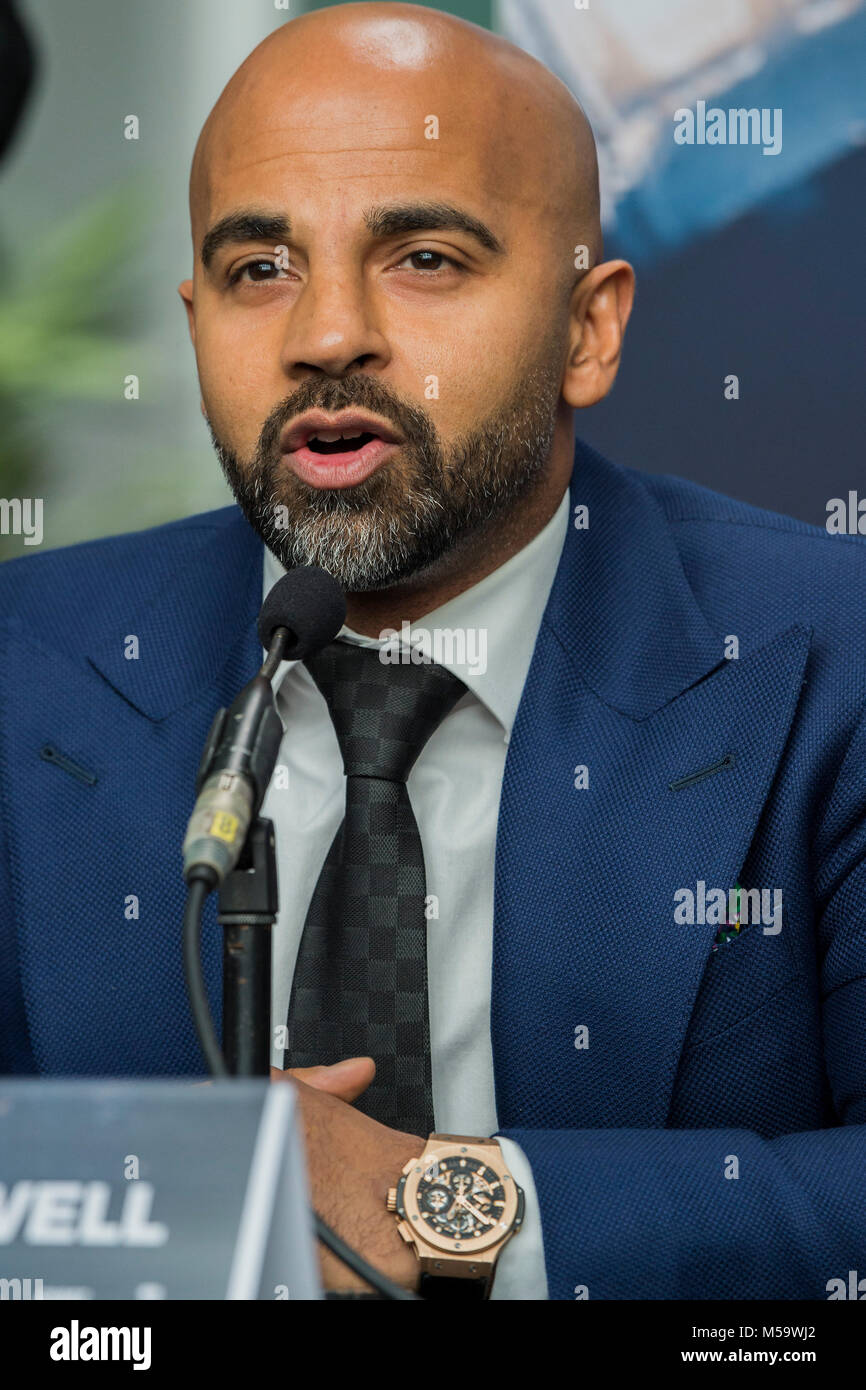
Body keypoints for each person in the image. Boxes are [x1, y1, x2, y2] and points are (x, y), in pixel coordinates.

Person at [1, 3, 865, 1300]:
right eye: (257, 269)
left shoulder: (831, 654)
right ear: (193, 323)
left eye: (423, 258)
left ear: (588, 327)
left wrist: (441, 1212)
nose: (326, 332)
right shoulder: (29, 664)